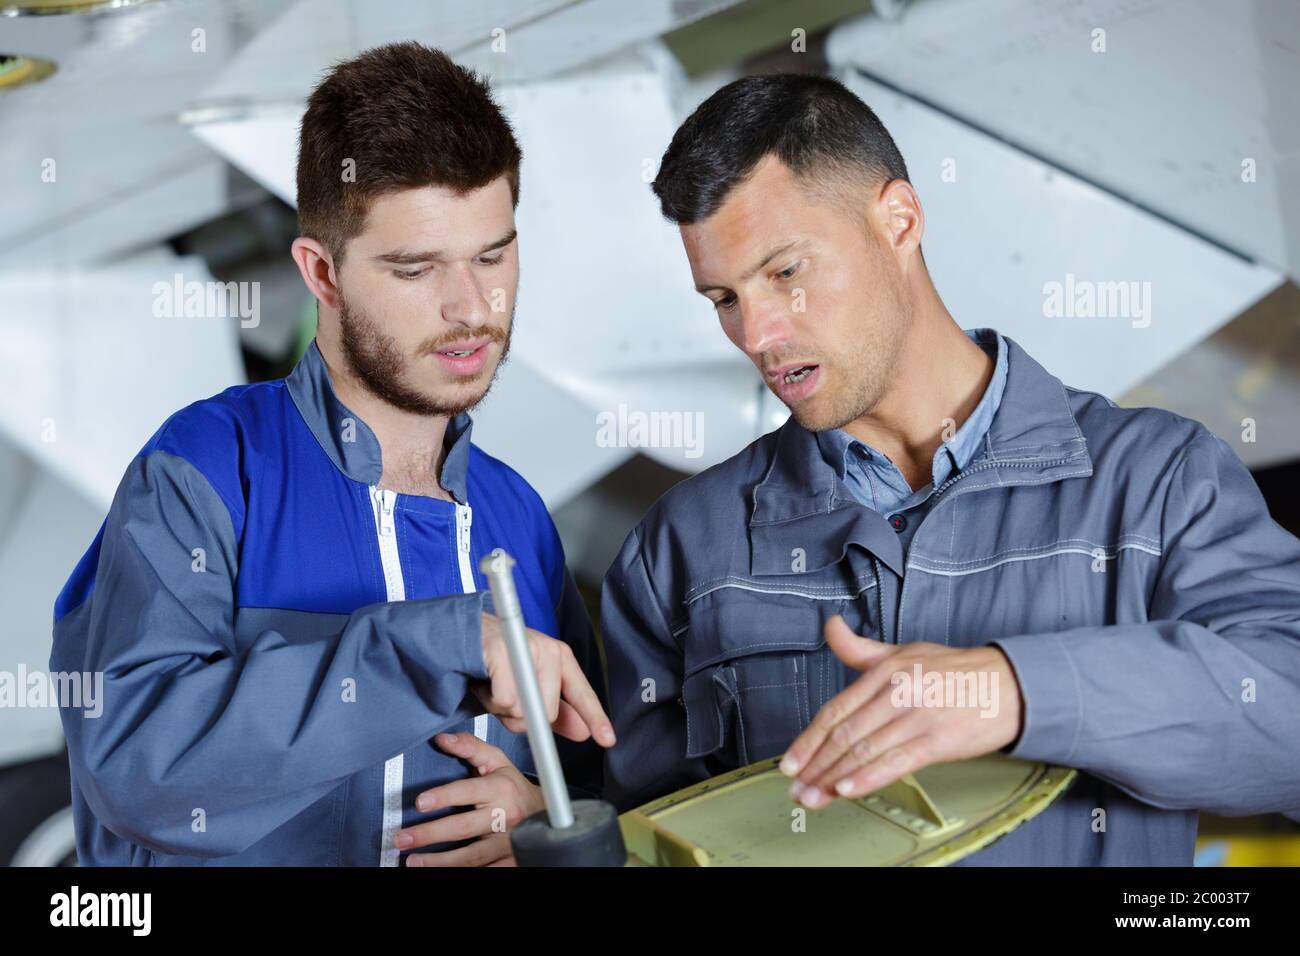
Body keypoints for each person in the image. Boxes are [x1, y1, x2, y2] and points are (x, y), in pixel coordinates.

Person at [600, 73, 1300, 864]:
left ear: (898, 220)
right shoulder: (680, 549)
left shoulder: (1156, 482)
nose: (756, 332)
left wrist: (1016, 689)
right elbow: (648, 838)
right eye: (724, 298)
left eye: (786, 273)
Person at [51, 42, 614, 867]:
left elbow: (589, 784)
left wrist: (536, 818)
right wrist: (439, 647)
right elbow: (140, 769)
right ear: (322, 272)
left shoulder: (518, 516)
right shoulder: (203, 472)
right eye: (415, 268)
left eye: (492, 255)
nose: (471, 308)